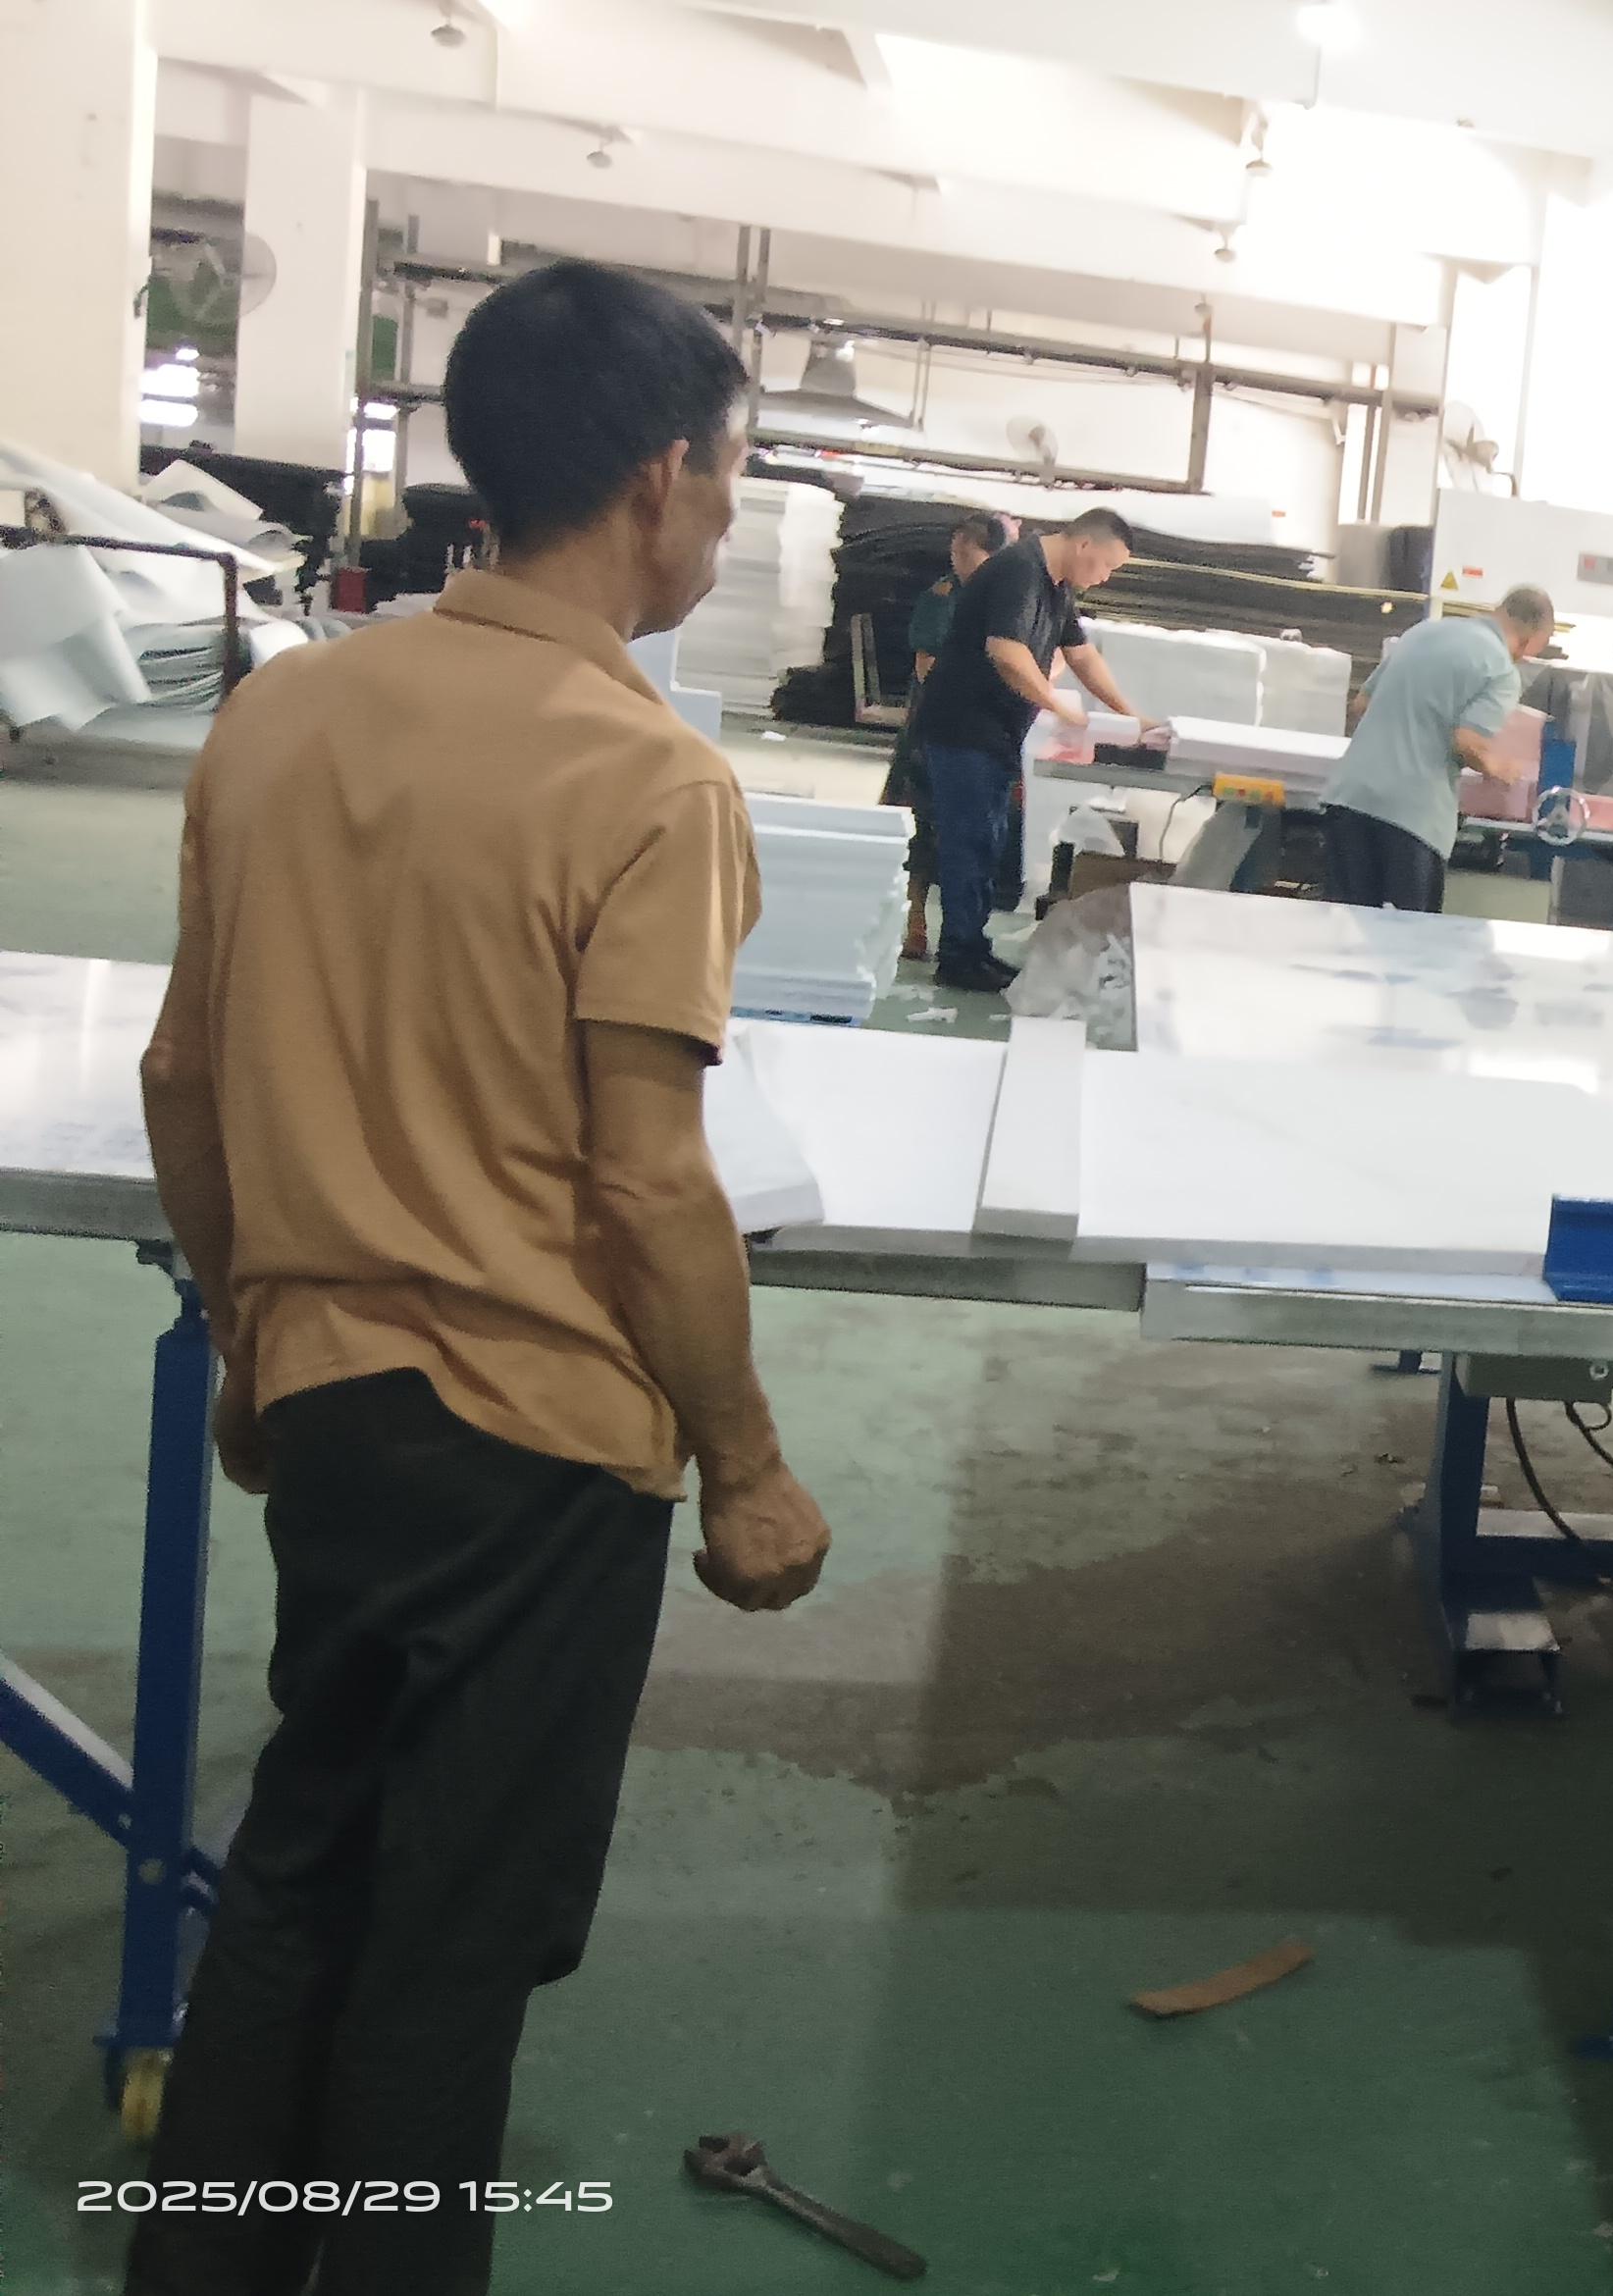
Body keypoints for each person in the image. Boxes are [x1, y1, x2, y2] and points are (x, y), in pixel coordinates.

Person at [130, 258, 836, 2296]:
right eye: (730, 481)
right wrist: (746, 1464)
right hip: (533, 1444)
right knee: (449, 1950)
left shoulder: (285, 712)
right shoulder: (647, 779)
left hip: (331, 1402)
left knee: (302, 1877)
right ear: (661, 478)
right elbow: (644, 1179)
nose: (721, 524)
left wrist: (257, 1336)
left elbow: (186, 1077)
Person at [902, 506, 1159, 989]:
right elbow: (1006, 651)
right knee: (968, 841)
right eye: (1106, 565)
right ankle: (958, 958)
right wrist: (1057, 707)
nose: (1104, 578)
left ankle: (972, 947)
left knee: (987, 840)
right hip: (963, 727)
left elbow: (1081, 654)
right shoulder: (1019, 571)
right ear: (1084, 545)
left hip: (995, 733)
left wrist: (1131, 716)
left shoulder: (1056, 584)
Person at [1318, 585, 1553, 913]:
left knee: (1344, 925)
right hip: (1412, 817)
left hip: (1351, 798)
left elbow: (1362, 704)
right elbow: (1468, 743)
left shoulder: (1423, 633)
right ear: (1529, 640)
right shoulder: (1501, 670)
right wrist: (1501, 769)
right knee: (1412, 937)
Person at [877, 512, 1012, 962]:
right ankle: (914, 922)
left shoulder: (1010, 596)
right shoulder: (942, 598)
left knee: (972, 834)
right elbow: (926, 666)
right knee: (918, 824)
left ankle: (964, 931)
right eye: (955, 552)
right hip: (934, 726)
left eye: (967, 553)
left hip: (988, 730)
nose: (958, 561)